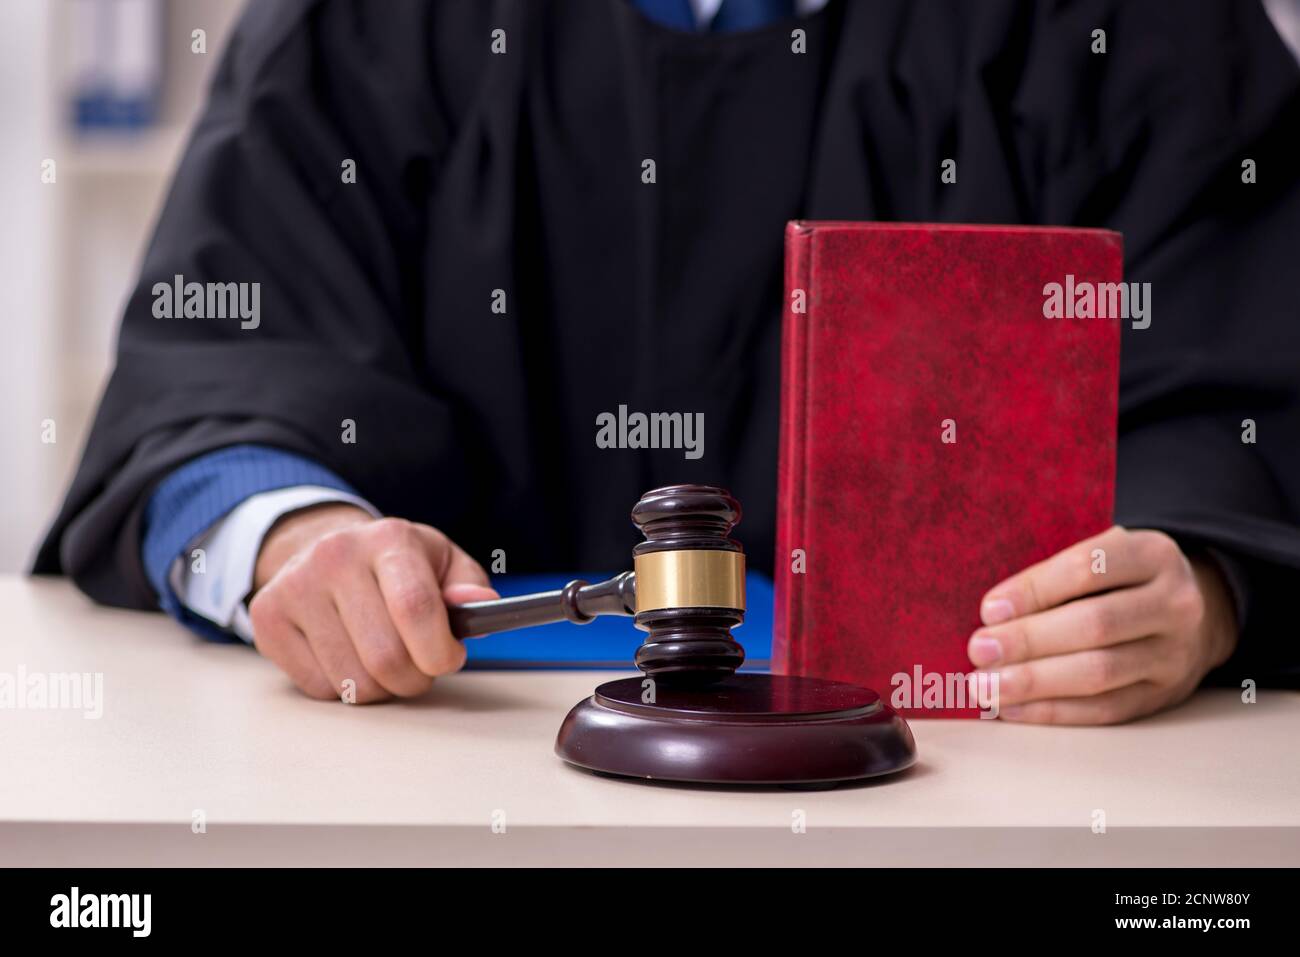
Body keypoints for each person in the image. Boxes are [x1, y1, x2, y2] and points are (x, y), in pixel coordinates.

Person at [35, 0, 1300, 722]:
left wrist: (1200, 588)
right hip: (447, 784)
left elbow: (1245, 389)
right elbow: (213, 378)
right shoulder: (367, 19)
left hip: (1005, 793)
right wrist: (300, 541)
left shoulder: (1124, 21)